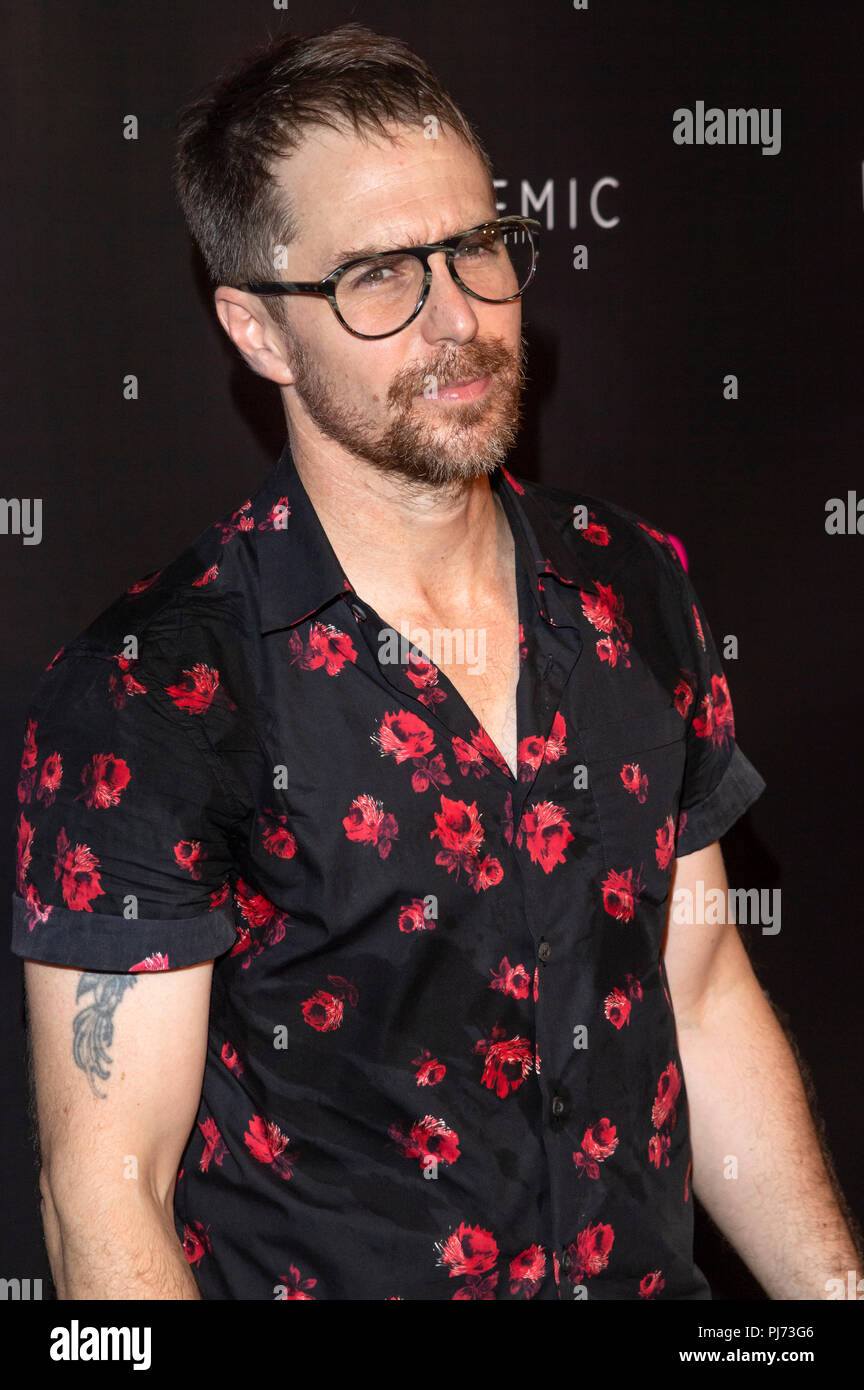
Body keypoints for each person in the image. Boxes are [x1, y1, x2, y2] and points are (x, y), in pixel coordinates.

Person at [13, 22, 859, 1301]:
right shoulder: (151, 692)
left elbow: (703, 989)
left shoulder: (636, 582)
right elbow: (105, 1193)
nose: (456, 318)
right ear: (254, 331)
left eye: (475, 247)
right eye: (376, 276)